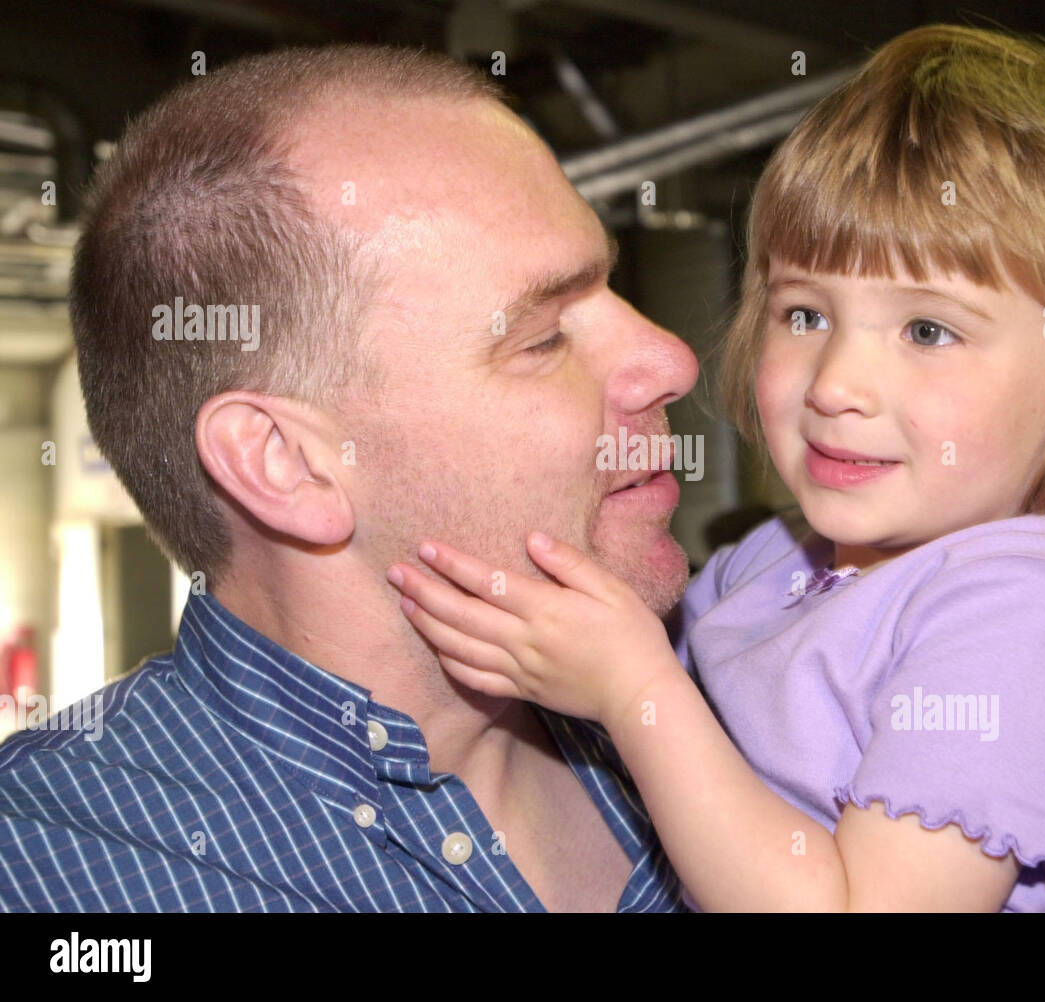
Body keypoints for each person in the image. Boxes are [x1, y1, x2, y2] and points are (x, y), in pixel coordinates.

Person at [388, 24, 1045, 911]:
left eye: (928, 330)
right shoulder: (774, 561)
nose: (836, 384)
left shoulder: (1028, 619)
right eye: (804, 314)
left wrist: (634, 688)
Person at [0, 46, 698, 912]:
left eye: (612, 289)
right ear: (286, 464)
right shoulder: (47, 874)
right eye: (543, 337)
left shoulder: (767, 697)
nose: (670, 360)